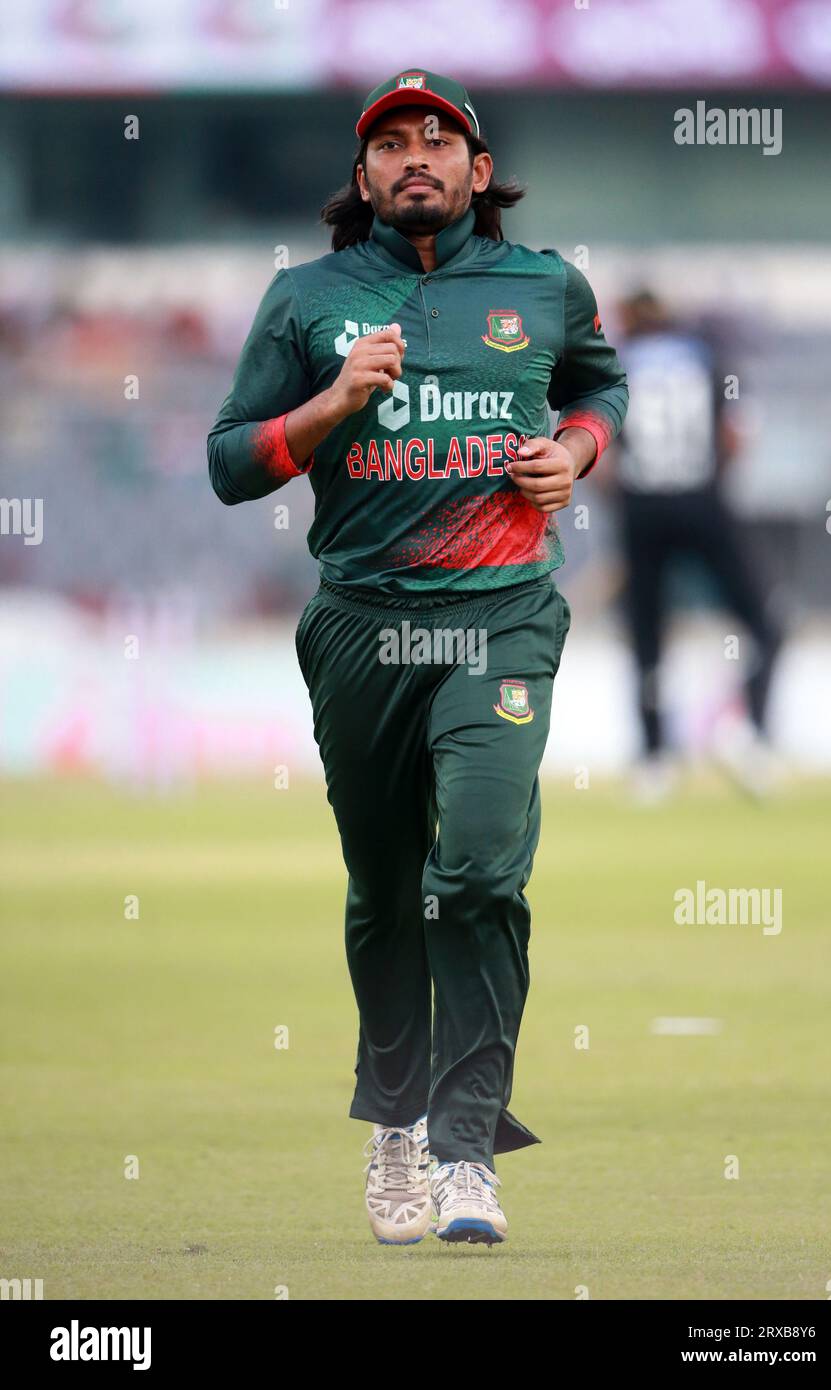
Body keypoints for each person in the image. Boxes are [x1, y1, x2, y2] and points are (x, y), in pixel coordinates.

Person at [207, 69, 628, 1245]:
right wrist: (330, 404)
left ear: (478, 171)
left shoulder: (545, 286)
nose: (414, 158)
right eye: (389, 144)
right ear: (362, 180)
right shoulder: (303, 300)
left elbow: (599, 383)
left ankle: (464, 1154)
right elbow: (229, 463)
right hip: (361, 624)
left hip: (498, 617)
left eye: (436, 140)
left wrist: (578, 449)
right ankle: (393, 1128)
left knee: (482, 870)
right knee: (386, 888)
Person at [610, 290, 783, 799]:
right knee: (766, 622)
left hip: (642, 509)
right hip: (704, 503)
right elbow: (737, 435)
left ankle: (654, 760)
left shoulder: (618, 363)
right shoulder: (706, 357)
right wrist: (712, 485)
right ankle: (746, 733)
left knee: (646, 634)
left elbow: (598, 440)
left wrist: (624, 499)